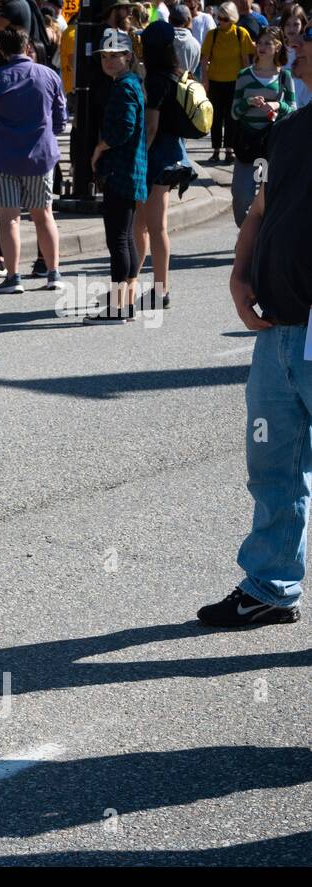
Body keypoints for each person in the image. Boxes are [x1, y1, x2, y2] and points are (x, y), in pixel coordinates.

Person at [197, 22, 312, 628]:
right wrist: (240, 276)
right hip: (279, 334)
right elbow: (260, 211)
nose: (298, 44)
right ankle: (270, 586)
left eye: (308, 35)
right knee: (273, 467)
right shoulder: (289, 131)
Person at [0, 25, 66, 293]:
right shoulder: (48, 75)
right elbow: (60, 120)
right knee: (44, 215)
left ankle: (13, 277)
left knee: (10, 218)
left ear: (1, 50)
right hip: (40, 156)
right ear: (27, 47)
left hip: (2, 156)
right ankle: (53, 272)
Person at [133, 20, 195, 312]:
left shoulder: (156, 79)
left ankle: (159, 290)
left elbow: (152, 126)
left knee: (152, 227)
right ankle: (137, 283)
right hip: (173, 155)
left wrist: (139, 157)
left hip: (157, 158)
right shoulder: (176, 74)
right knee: (144, 225)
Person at [88, 30, 148, 323]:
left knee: (119, 240)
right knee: (126, 239)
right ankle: (127, 303)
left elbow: (123, 128)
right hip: (129, 169)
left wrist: (99, 147)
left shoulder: (125, 86)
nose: (109, 61)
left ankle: (118, 307)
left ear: (128, 56)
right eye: (105, 56)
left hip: (121, 170)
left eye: (115, 55)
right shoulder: (130, 82)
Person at [230, 27, 296, 224]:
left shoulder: (285, 77)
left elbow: (293, 110)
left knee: (263, 196)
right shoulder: (244, 75)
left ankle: (257, 240)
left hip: (268, 146)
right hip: (247, 143)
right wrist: (248, 102)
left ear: (277, 47)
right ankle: (246, 234)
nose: (262, 47)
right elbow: (234, 112)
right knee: (242, 196)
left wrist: (277, 105)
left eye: (268, 43)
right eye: (260, 42)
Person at [203, 2, 257, 163]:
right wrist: (204, 80)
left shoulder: (241, 33)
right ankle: (215, 150)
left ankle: (230, 149)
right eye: (219, 18)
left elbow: (246, 60)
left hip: (235, 82)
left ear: (233, 18)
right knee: (216, 117)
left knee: (232, 117)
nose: (221, 21)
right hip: (215, 82)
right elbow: (204, 59)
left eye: (225, 18)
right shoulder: (212, 35)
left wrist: (248, 82)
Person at [170, 3, 202, 76]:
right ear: (189, 20)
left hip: (164, 85)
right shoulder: (195, 44)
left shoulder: (162, 40)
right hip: (185, 85)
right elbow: (192, 71)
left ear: (169, 19)